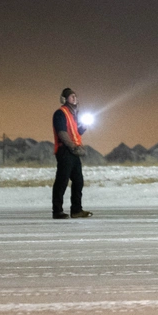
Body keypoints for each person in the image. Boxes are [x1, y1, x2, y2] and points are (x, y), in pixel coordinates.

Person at [52, 87, 92, 219]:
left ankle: (76, 210)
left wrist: (83, 128)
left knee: (78, 181)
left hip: (73, 151)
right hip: (65, 150)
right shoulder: (60, 113)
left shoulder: (73, 115)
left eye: (75, 95)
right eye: (71, 96)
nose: (74, 98)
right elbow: (62, 133)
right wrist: (73, 147)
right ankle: (57, 211)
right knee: (62, 181)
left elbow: (74, 133)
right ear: (64, 99)